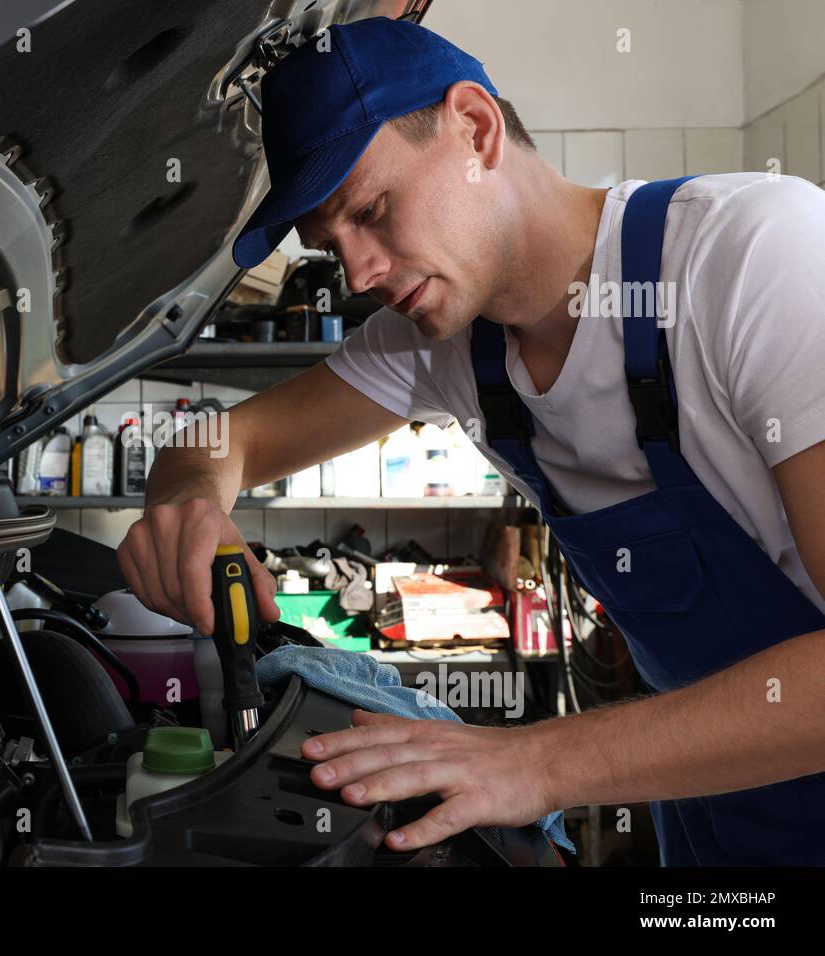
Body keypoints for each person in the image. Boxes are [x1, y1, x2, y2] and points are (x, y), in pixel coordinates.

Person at [116, 16, 825, 865]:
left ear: (476, 127)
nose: (360, 275)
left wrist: (537, 761)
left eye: (372, 211)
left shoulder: (756, 258)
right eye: (330, 246)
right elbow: (215, 441)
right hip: (712, 808)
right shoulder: (450, 346)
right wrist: (187, 499)